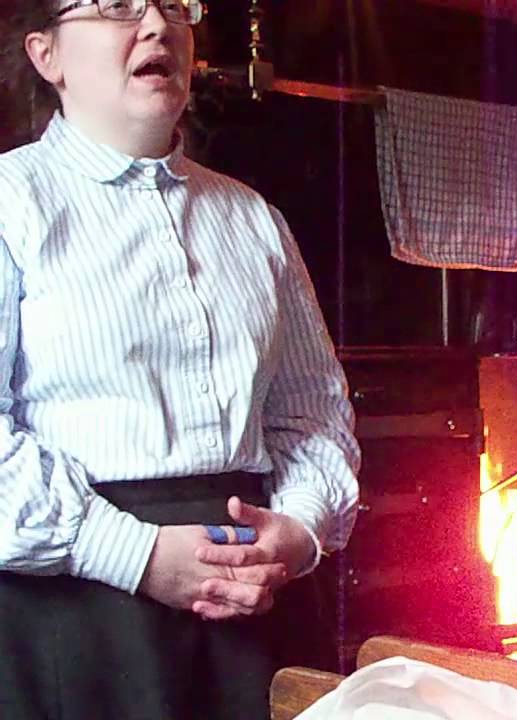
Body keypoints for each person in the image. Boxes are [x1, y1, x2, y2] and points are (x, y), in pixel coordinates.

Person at [0, 1, 360, 718]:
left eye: (174, 5)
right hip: (76, 622)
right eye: (117, 6)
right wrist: (132, 555)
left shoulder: (253, 217)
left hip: (260, 608)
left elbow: (313, 412)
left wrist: (297, 530)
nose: (158, 25)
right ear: (48, 56)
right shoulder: (11, 202)